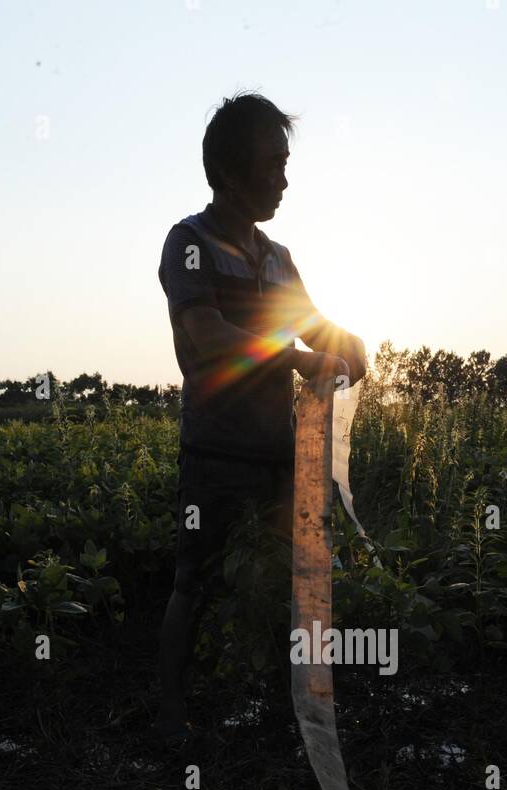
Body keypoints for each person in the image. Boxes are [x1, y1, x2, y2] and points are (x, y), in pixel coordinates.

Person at [155, 91, 367, 750]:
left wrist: (347, 344)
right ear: (227, 172)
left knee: (288, 580)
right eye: (270, 164)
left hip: (278, 454)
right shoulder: (189, 244)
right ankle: (168, 715)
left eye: (283, 163)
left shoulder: (278, 259)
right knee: (196, 579)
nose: (282, 178)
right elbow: (206, 336)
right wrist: (301, 358)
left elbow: (313, 320)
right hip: (216, 452)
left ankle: (289, 714)